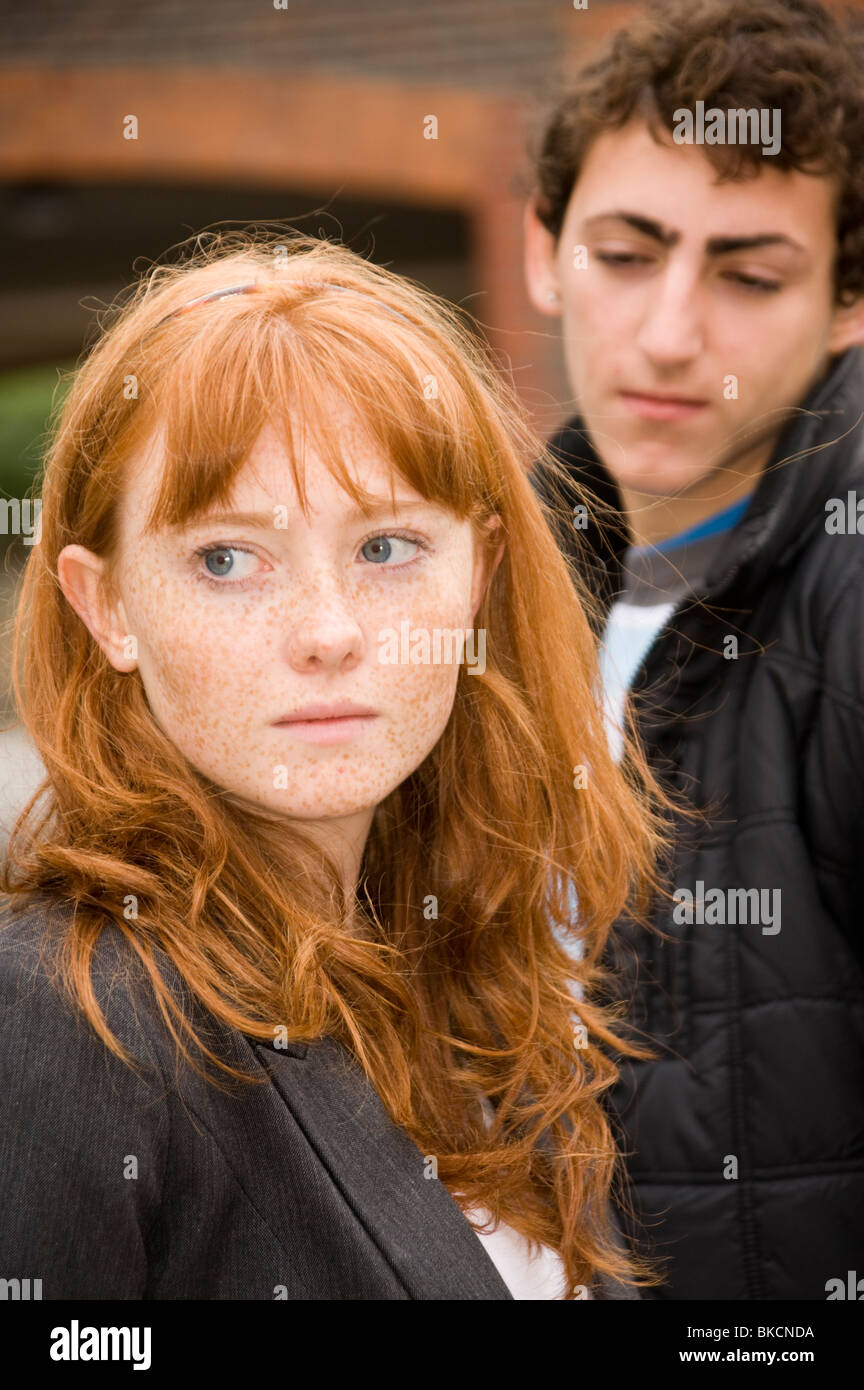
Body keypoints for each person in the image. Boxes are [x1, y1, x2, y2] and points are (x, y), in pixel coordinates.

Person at [0, 231, 667, 1300]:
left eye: (387, 547)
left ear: (480, 577)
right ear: (107, 605)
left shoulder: (482, 965)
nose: (327, 630)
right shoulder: (66, 1013)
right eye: (227, 558)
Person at [523, 0, 864, 1300]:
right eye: (627, 252)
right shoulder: (513, 579)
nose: (670, 334)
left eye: (749, 274)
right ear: (546, 251)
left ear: (847, 302)